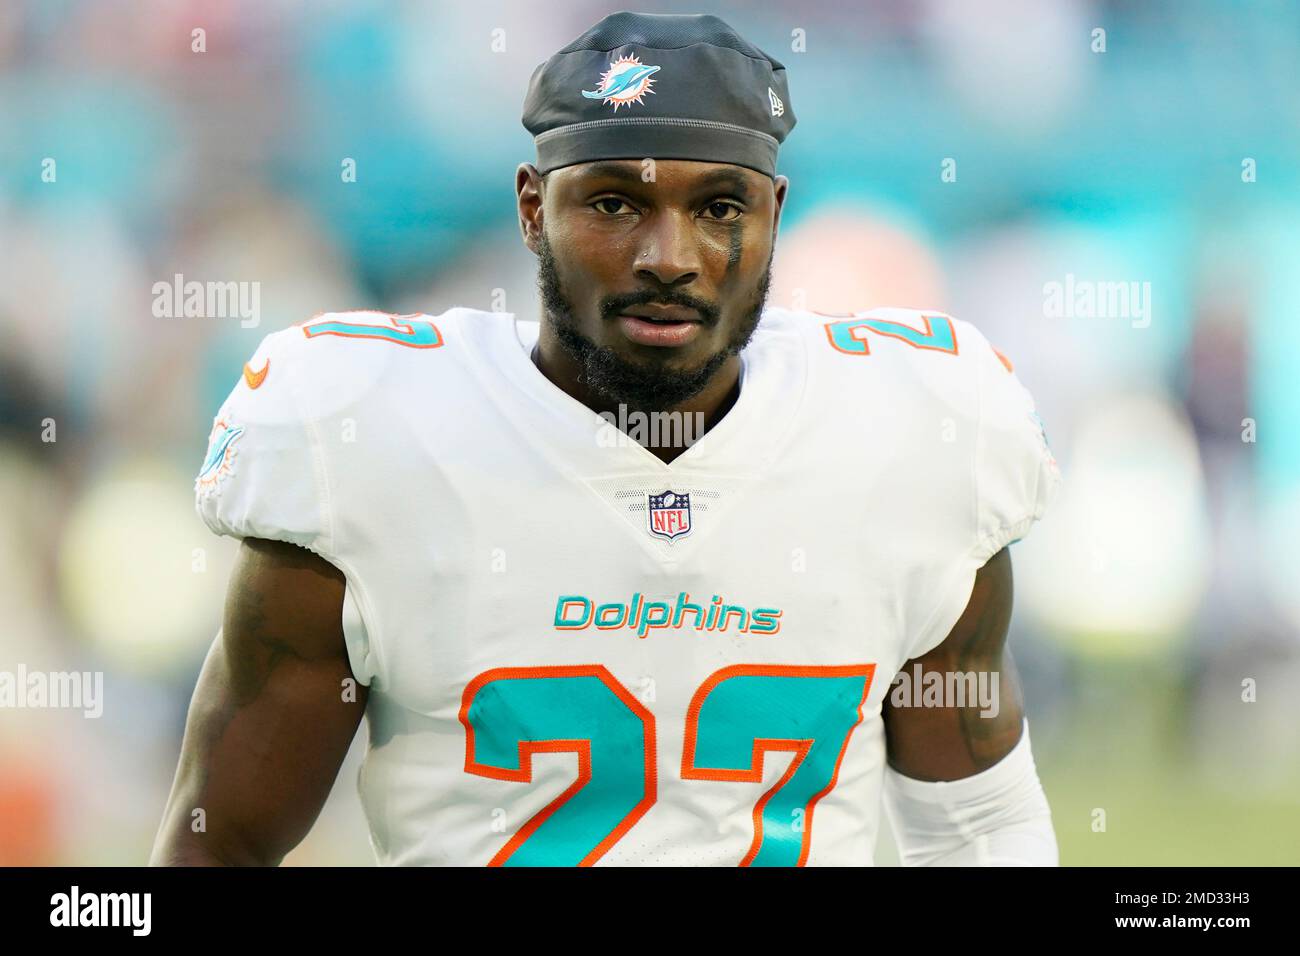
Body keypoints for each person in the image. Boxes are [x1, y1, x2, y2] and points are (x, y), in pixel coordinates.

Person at [152, 11, 1061, 867]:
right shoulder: (364, 437)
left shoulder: (910, 432)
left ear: (774, 215)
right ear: (531, 208)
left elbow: (978, 825)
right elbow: (220, 840)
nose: (668, 256)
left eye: (718, 208)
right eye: (617, 203)